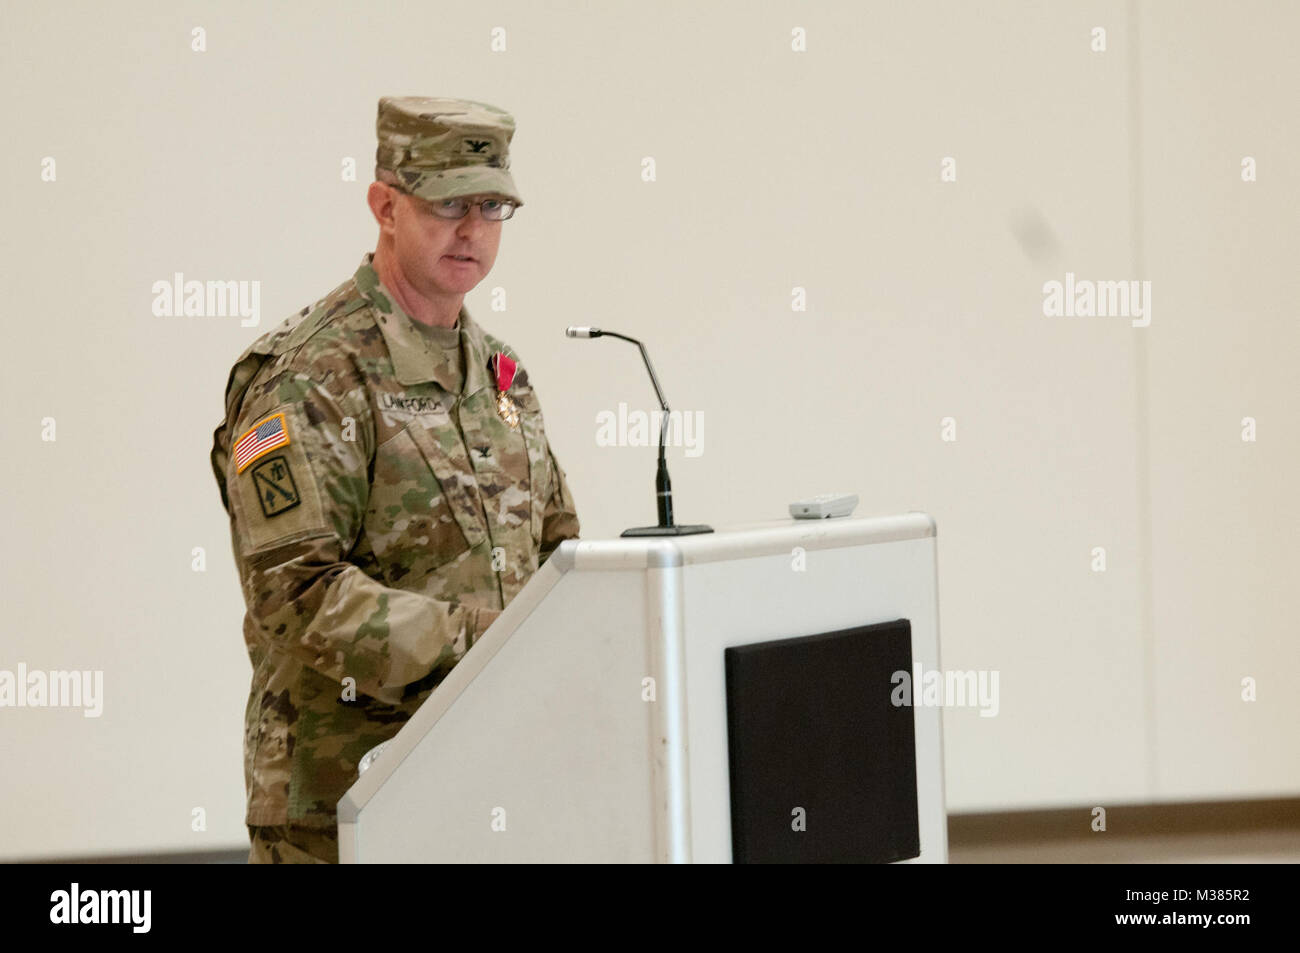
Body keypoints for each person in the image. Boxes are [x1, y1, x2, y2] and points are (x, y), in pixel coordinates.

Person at [209, 96, 580, 864]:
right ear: (385, 204)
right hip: (344, 808)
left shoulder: (503, 377)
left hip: (492, 792)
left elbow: (559, 558)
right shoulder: (308, 374)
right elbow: (298, 595)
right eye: (448, 202)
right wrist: (487, 644)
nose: (471, 229)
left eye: (492, 205)